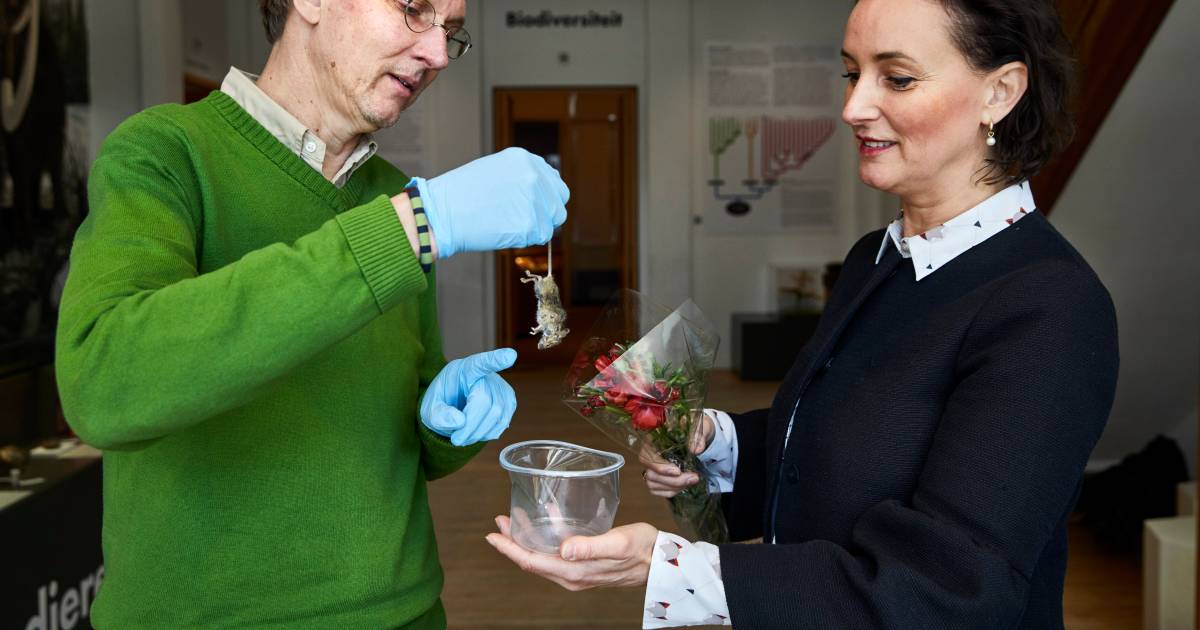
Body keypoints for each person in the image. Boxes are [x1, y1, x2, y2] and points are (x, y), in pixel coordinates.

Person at [485, 0, 1119, 628]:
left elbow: (950, 590)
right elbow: (839, 445)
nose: (852, 108)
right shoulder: (879, 256)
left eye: (896, 78)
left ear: (1000, 92)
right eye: (852, 73)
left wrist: (667, 566)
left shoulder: (1048, 308)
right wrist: (711, 440)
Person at [55, 0, 567, 627]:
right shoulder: (165, 154)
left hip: (403, 613)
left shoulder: (390, 195)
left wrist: (442, 422)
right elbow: (104, 384)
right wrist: (408, 231)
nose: (437, 55)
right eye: (414, 10)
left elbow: (401, 440)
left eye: (451, 33)